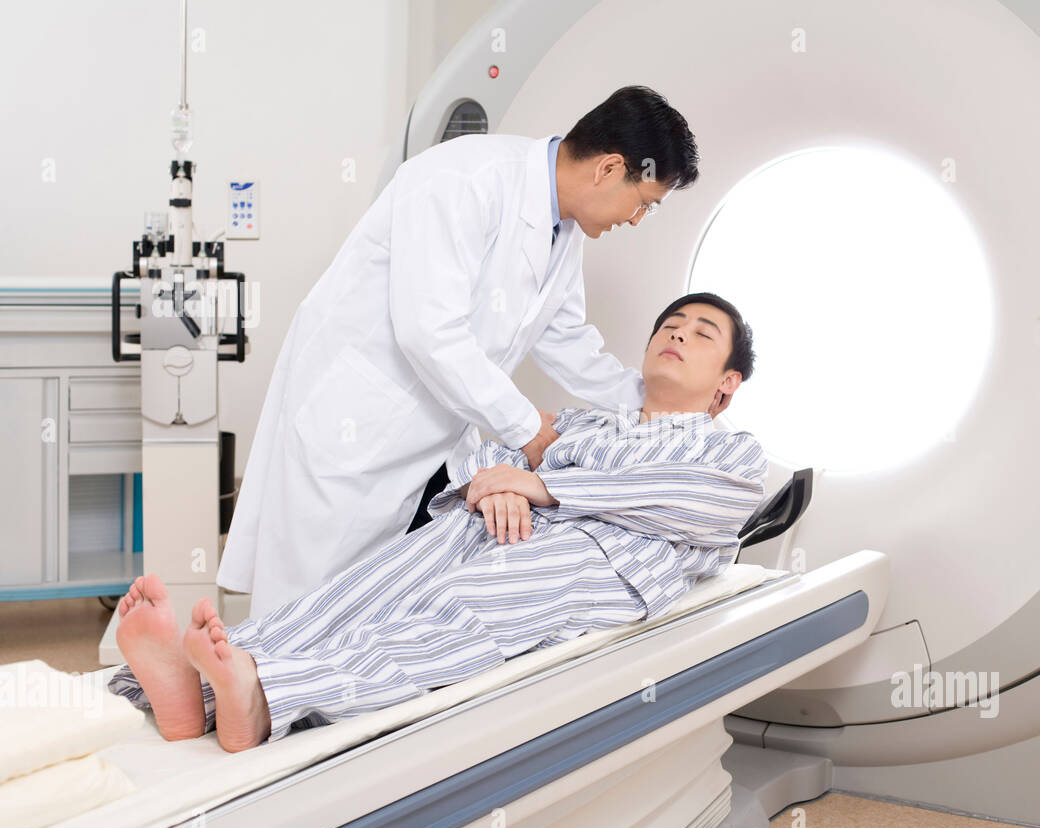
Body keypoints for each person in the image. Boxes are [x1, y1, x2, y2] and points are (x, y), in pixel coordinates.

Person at [109, 293, 761, 753]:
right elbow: (500, 448)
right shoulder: (588, 420)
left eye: (702, 333)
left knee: (463, 603)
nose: (677, 333)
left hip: (607, 555)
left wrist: (541, 485)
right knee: (374, 583)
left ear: (726, 383)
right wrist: (495, 482)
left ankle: (267, 696)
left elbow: (702, 502)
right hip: (502, 525)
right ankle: (196, 686)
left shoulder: (726, 447)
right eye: (671, 324)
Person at [217, 87, 702, 618]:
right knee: (304, 610)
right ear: (609, 169)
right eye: (645, 204)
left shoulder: (564, 227)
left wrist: (652, 401)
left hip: (435, 435)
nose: (636, 220)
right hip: (355, 427)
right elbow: (429, 332)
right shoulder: (462, 181)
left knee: (374, 611)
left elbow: (565, 340)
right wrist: (527, 427)